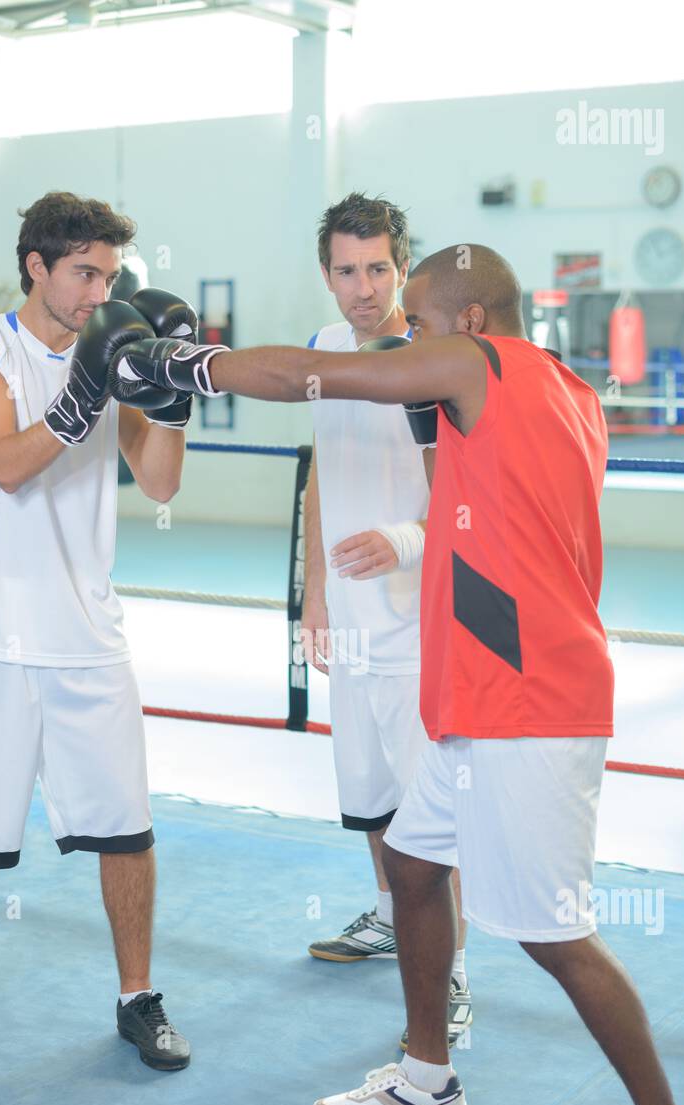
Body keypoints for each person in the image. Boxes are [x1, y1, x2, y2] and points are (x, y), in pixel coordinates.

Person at [109, 242, 684, 1105]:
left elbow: (319, 377)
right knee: (415, 869)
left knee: (555, 934)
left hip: (531, 705)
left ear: (469, 323)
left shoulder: (477, 365)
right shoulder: (567, 389)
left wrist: (186, 367)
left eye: (420, 324)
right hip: (484, 697)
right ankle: (428, 1076)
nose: (408, 340)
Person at [0, 191, 195, 1072]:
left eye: (109, 276)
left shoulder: (112, 347)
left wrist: (175, 396)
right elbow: (4, 463)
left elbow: (156, 484)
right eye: (84, 272)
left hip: (87, 635)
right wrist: (85, 396)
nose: (97, 292)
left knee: (126, 828)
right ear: (36, 266)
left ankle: (137, 995)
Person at [302, 193, 471, 1048]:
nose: (362, 288)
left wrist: (404, 538)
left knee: (426, 813)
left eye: (377, 268)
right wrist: (313, 593)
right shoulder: (324, 350)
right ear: (326, 274)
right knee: (369, 802)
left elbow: (471, 495)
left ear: (403, 268)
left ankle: (452, 976)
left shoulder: (436, 356)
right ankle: (382, 918)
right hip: (351, 617)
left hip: (416, 625)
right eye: (346, 270)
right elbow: (322, 473)